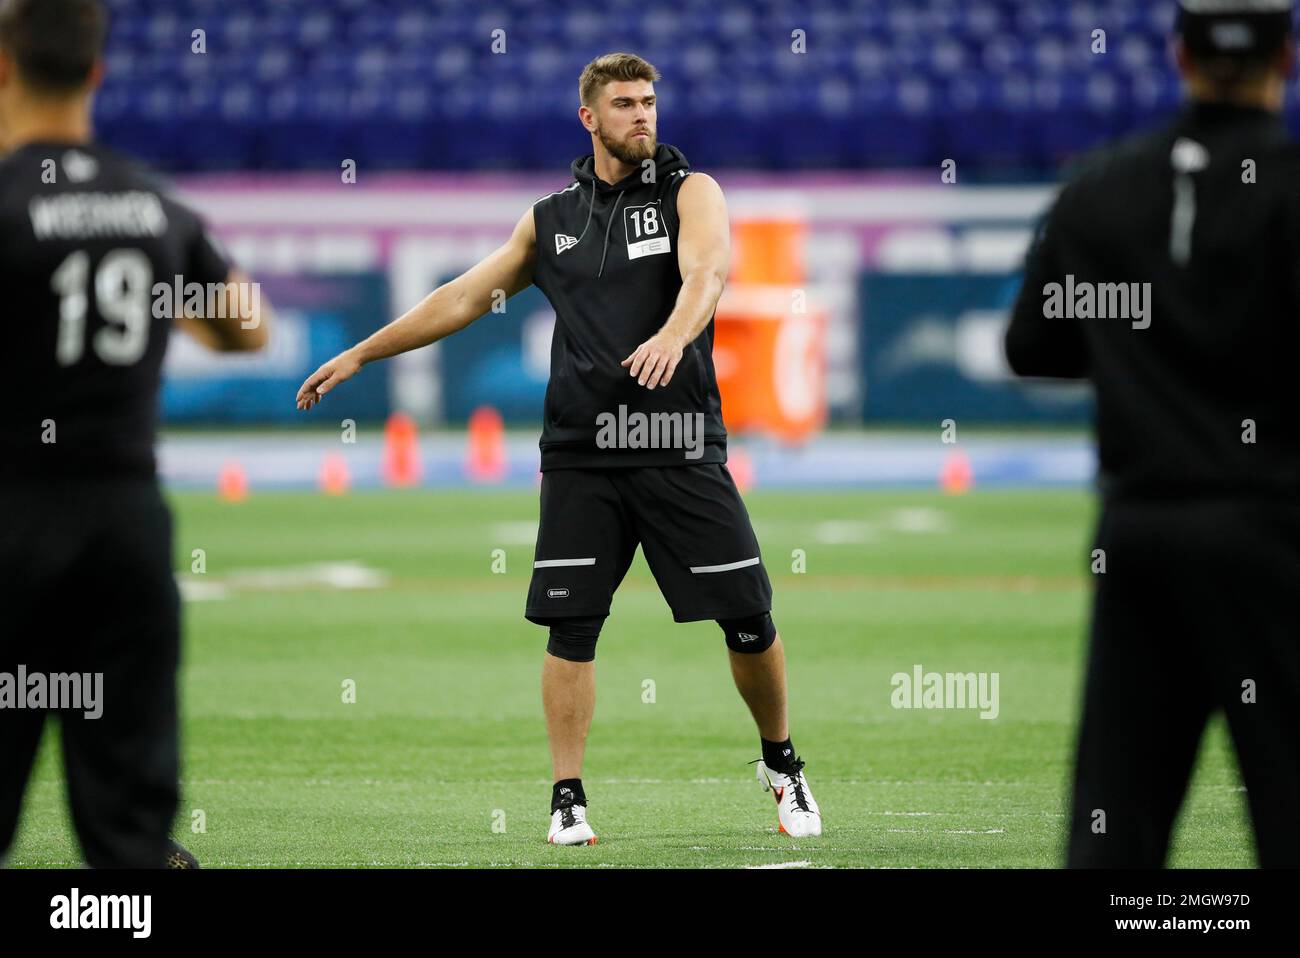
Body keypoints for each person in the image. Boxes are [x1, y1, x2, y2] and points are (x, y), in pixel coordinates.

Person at [295, 52, 822, 845]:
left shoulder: (692, 192)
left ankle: (781, 765)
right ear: (590, 118)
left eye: (649, 101)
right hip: (581, 452)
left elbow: (708, 272)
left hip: (678, 445)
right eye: (624, 104)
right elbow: (467, 296)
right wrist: (364, 353)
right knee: (570, 630)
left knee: (749, 618)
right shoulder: (550, 219)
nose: (642, 115)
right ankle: (567, 797)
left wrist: (676, 337)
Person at [1005, 0, 1300, 867]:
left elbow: (1034, 346)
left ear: (1180, 55)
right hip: (1276, 534)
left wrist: (1142, 352)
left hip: (1141, 536)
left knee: (1117, 816)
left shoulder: (1100, 187)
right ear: (1286, 55)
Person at [0, 0, 269, 867]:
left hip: (10, 520)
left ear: (3, 68)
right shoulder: (153, 206)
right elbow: (247, 328)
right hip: (123, 526)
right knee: (128, 829)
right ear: (97, 73)